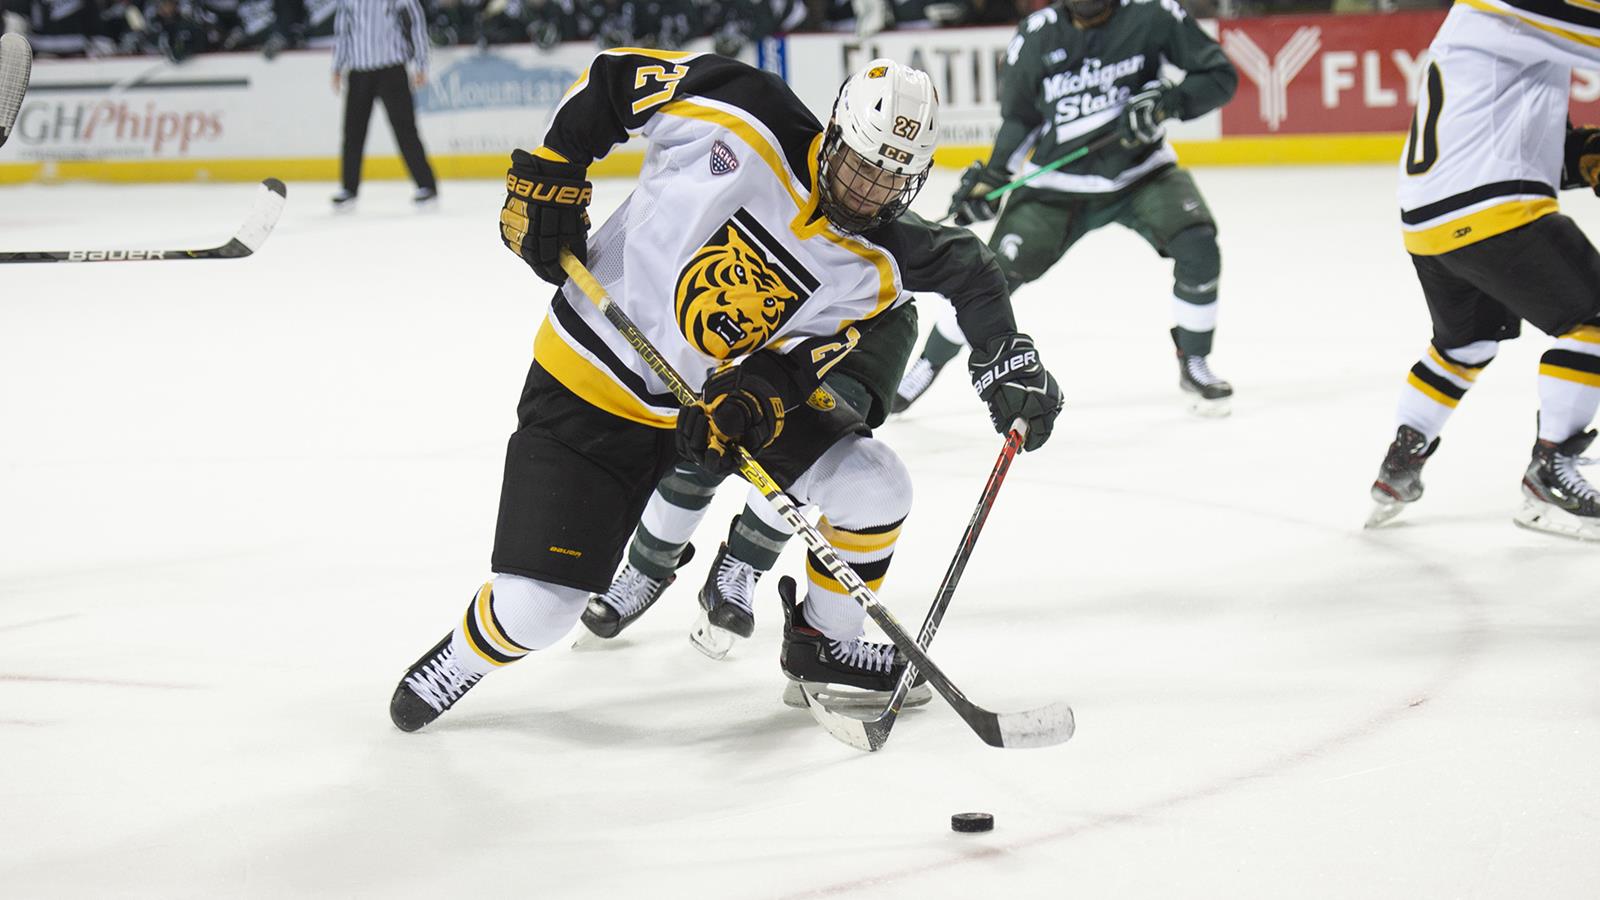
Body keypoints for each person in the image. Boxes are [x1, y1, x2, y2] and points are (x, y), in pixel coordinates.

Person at [387, 51, 1063, 732]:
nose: (868, 195)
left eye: (891, 181)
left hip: (706, 396)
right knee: (537, 611)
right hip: (592, 381)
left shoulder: (878, 263)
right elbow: (613, 83)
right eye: (861, 167)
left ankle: (824, 644)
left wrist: (756, 400)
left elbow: (860, 327)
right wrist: (552, 173)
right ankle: (463, 656)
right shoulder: (741, 107)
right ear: (833, 133)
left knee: (875, 485)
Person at [891, 0, 1238, 417]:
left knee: (1197, 242)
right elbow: (1020, 119)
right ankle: (929, 362)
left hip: (1141, 171)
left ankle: (1194, 358)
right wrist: (995, 176)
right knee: (990, 277)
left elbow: (1220, 76)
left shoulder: (1153, 14)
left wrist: (1170, 102)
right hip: (1055, 189)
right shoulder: (1037, 34)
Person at [1366, 0, 1600, 540]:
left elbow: (1534, 147)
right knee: (1593, 319)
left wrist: (1584, 156)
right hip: (1491, 209)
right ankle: (1550, 475)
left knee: (1465, 345)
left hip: (1433, 221)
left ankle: (1401, 462)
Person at [330, 0, 438, 210]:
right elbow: (342, 30)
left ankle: (426, 185)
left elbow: (415, 21)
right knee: (353, 132)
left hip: (392, 68)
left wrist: (421, 62)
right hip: (359, 69)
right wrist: (337, 66)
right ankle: (349, 188)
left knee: (405, 129)